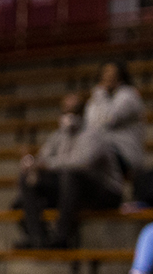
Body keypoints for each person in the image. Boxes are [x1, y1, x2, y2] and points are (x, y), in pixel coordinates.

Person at [15, 93, 123, 249]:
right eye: (65, 111)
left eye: (74, 111)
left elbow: (81, 164)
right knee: (27, 178)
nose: (69, 116)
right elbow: (42, 160)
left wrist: (48, 165)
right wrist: (31, 162)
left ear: (82, 113)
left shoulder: (95, 134)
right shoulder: (58, 136)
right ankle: (37, 237)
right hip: (72, 189)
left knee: (70, 175)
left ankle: (62, 238)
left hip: (106, 191)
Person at [84, 61, 145, 178]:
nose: (108, 77)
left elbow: (109, 119)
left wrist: (100, 93)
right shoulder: (97, 98)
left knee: (91, 160)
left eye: (112, 74)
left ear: (120, 76)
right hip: (103, 151)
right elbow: (90, 124)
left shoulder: (129, 95)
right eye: (105, 73)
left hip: (125, 154)